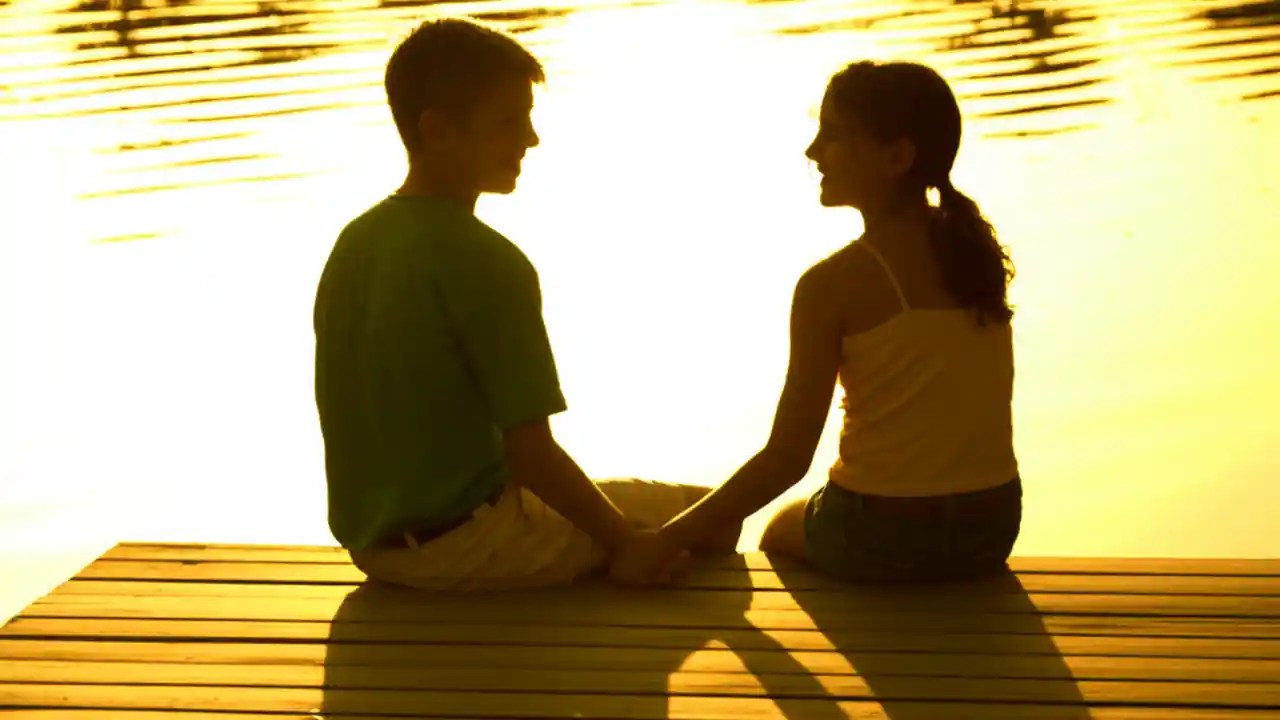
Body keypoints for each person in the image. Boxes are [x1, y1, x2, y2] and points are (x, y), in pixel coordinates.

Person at [313, 19, 736, 592]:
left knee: (645, 508)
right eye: (509, 120)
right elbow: (531, 451)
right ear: (436, 130)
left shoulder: (354, 242)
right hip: (472, 548)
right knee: (711, 516)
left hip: (375, 550)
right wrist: (625, 543)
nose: (531, 139)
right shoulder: (488, 261)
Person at [610, 60, 1022, 585]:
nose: (812, 152)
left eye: (834, 136)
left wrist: (665, 539)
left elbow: (787, 458)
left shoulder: (831, 284)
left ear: (896, 156)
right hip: (989, 529)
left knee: (779, 529)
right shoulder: (974, 253)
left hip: (884, 535)